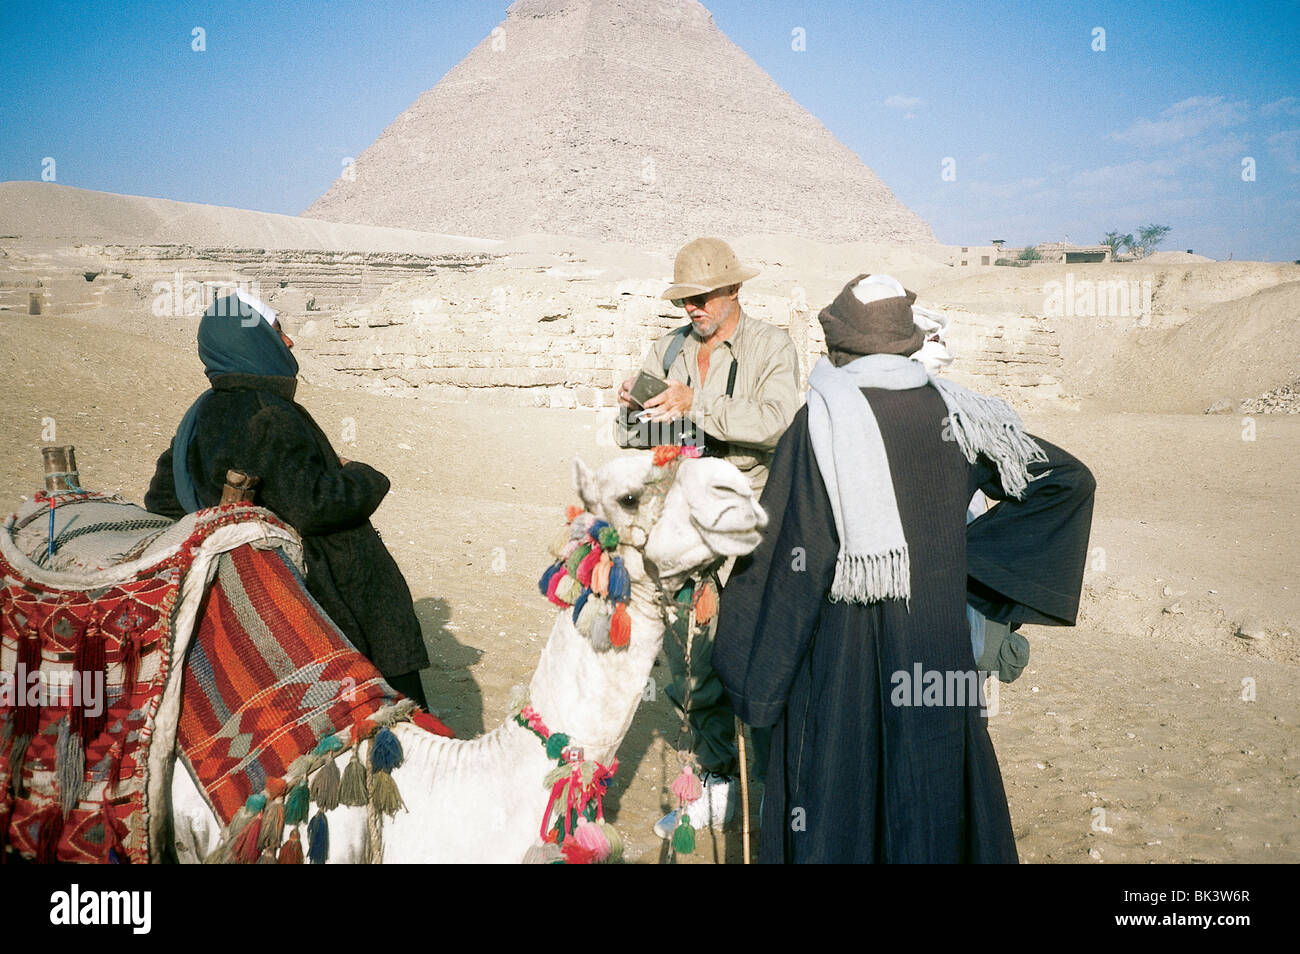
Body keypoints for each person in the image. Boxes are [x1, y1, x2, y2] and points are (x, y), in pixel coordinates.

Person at [712, 273, 1096, 863]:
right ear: (906, 343)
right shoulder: (961, 417)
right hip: (937, 650)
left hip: (842, 662)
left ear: (840, 346)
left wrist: (750, 677)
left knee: (839, 793)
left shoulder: (818, 426)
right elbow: (1066, 481)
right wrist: (958, 565)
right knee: (931, 788)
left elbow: (790, 565)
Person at [144, 290, 430, 709]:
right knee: (400, 711)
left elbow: (165, 500)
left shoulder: (202, 412)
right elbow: (314, 506)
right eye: (277, 330)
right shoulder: (268, 413)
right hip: (331, 594)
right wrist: (364, 477)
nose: (290, 342)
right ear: (251, 340)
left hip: (255, 593)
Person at [615, 237, 800, 838]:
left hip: (747, 527)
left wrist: (699, 405)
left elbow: (775, 423)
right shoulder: (668, 348)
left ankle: (772, 783)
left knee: (749, 654)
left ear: (735, 290)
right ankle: (719, 779)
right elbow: (631, 433)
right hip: (679, 527)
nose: (693, 308)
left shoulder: (771, 346)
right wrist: (634, 411)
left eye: (703, 297)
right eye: (685, 299)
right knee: (691, 664)